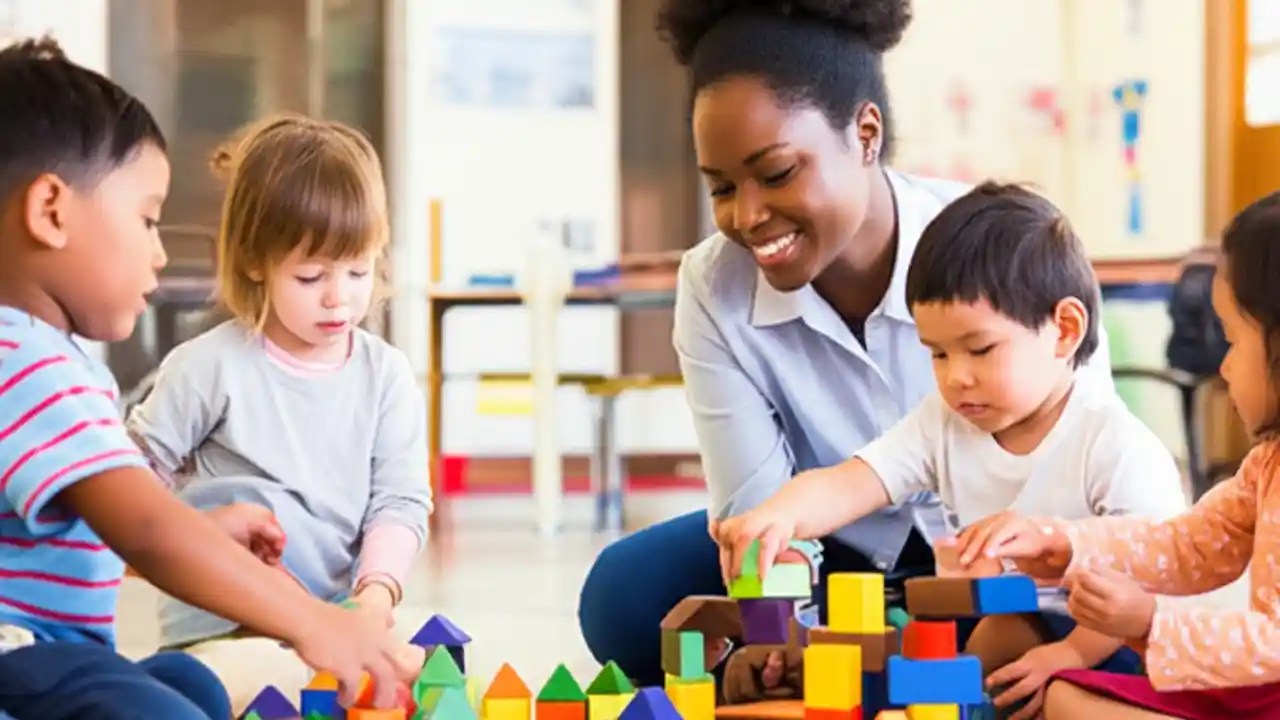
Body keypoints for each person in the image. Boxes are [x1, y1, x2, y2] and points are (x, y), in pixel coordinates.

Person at [576, 0, 1118, 687]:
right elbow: (758, 506)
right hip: (834, 553)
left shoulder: (1000, 249)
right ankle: (873, 666)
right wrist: (776, 628)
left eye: (776, 174)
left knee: (1091, 629)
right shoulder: (715, 287)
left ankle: (928, 666)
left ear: (865, 134)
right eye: (721, 187)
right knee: (624, 597)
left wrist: (1016, 572)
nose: (748, 216)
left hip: (1006, 562)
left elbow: (1089, 459)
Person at [0, 37, 406, 719]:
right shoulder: (27, 362)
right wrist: (315, 622)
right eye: (147, 219)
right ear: (52, 211)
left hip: (53, 653)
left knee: (184, 689)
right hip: (21, 653)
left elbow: (90, 534)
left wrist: (206, 531)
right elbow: (149, 530)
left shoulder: (39, 356)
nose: (159, 253)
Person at [715, 182, 1187, 718]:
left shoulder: (1116, 445)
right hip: (999, 624)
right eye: (937, 354)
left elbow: (1150, 580)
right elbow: (853, 480)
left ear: (1064, 329)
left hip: (1113, 643)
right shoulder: (944, 423)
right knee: (900, 648)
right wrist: (780, 516)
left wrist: (1069, 653)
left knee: (1003, 648)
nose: (956, 377)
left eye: (980, 349)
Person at [126, 113, 431, 713]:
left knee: (413, 668)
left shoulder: (385, 376)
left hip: (331, 622)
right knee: (260, 675)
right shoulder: (207, 367)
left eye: (359, 270)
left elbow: (399, 501)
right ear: (254, 261)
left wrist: (375, 596)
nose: (339, 296)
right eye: (311, 275)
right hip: (219, 627)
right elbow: (128, 488)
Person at [957, 190, 1280, 720]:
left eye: (1234, 342)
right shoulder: (1267, 464)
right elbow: (1188, 545)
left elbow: (1273, 644)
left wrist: (1150, 622)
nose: (1222, 368)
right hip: (1260, 683)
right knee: (1066, 698)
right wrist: (1063, 545)